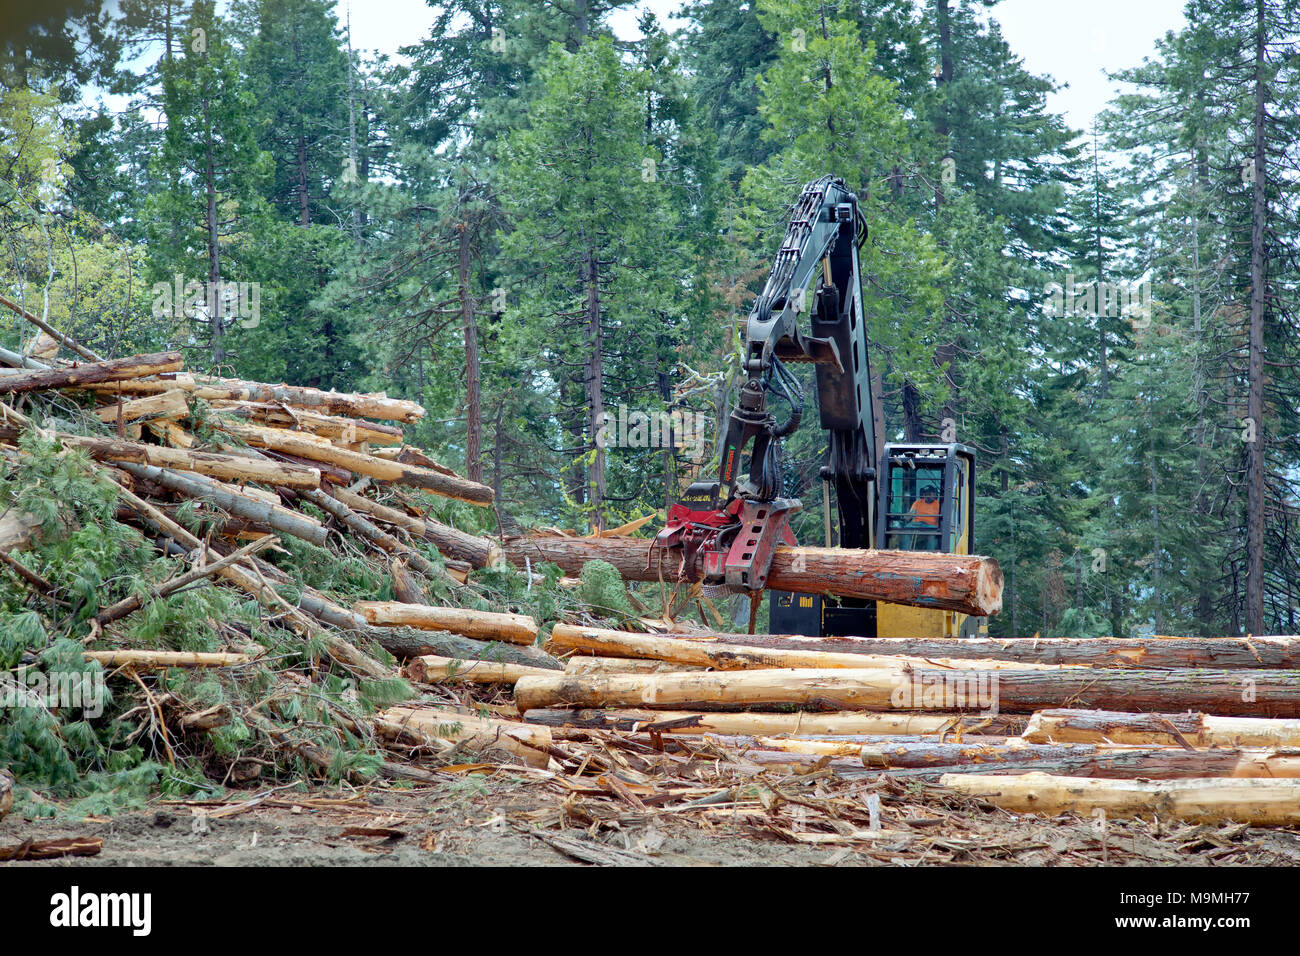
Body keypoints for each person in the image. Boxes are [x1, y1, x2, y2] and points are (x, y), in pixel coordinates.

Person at [906, 485, 941, 550]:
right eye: (926, 493)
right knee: (906, 530)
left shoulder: (938, 504)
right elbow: (909, 515)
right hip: (916, 524)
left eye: (929, 493)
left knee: (933, 535)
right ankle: (904, 551)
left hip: (930, 526)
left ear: (934, 494)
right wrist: (907, 516)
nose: (927, 495)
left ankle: (931, 553)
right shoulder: (918, 502)